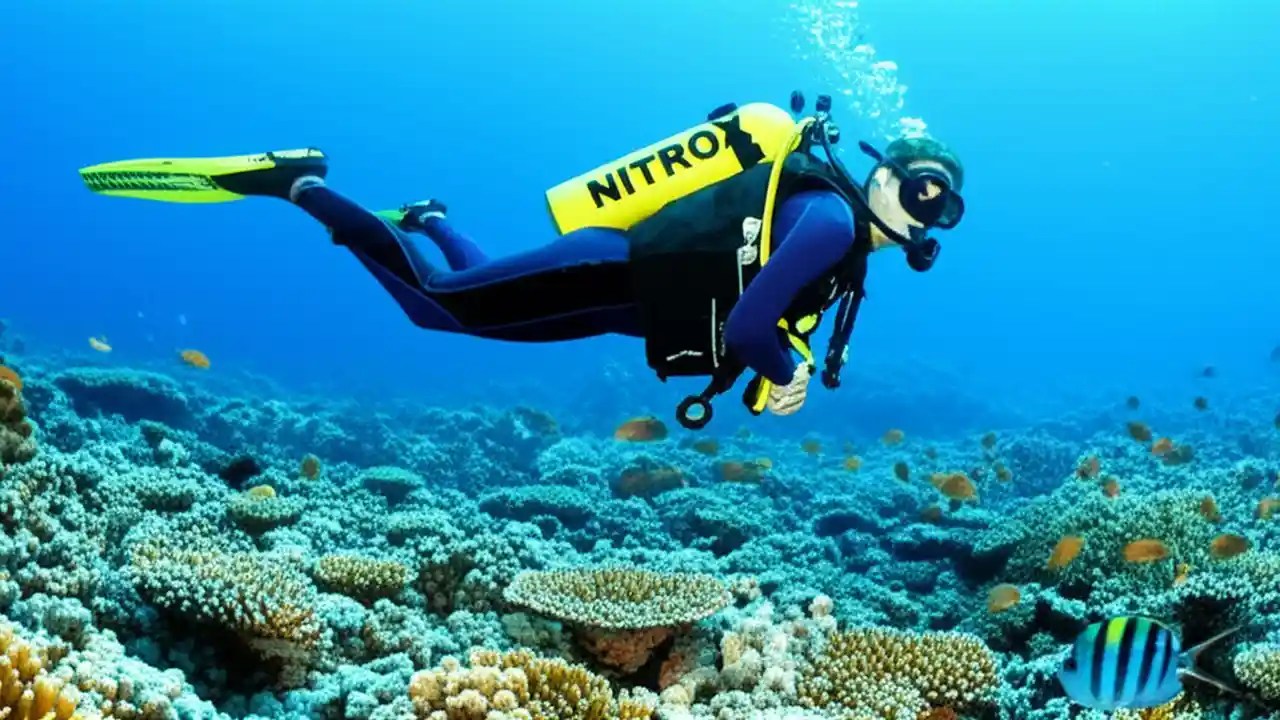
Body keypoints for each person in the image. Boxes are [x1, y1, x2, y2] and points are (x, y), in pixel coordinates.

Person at [78, 94, 965, 428]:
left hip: (617, 295)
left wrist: (779, 363)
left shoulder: (835, 237)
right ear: (882, 174)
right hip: (611, 275)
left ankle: (430, 217)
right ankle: (295, 184)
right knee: (435, 306)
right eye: (919, 187)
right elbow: (745, 324)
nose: (925, 211)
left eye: (943, 207)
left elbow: (754, 310)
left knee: (469, 287)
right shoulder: (835, 225)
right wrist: (783, 371)